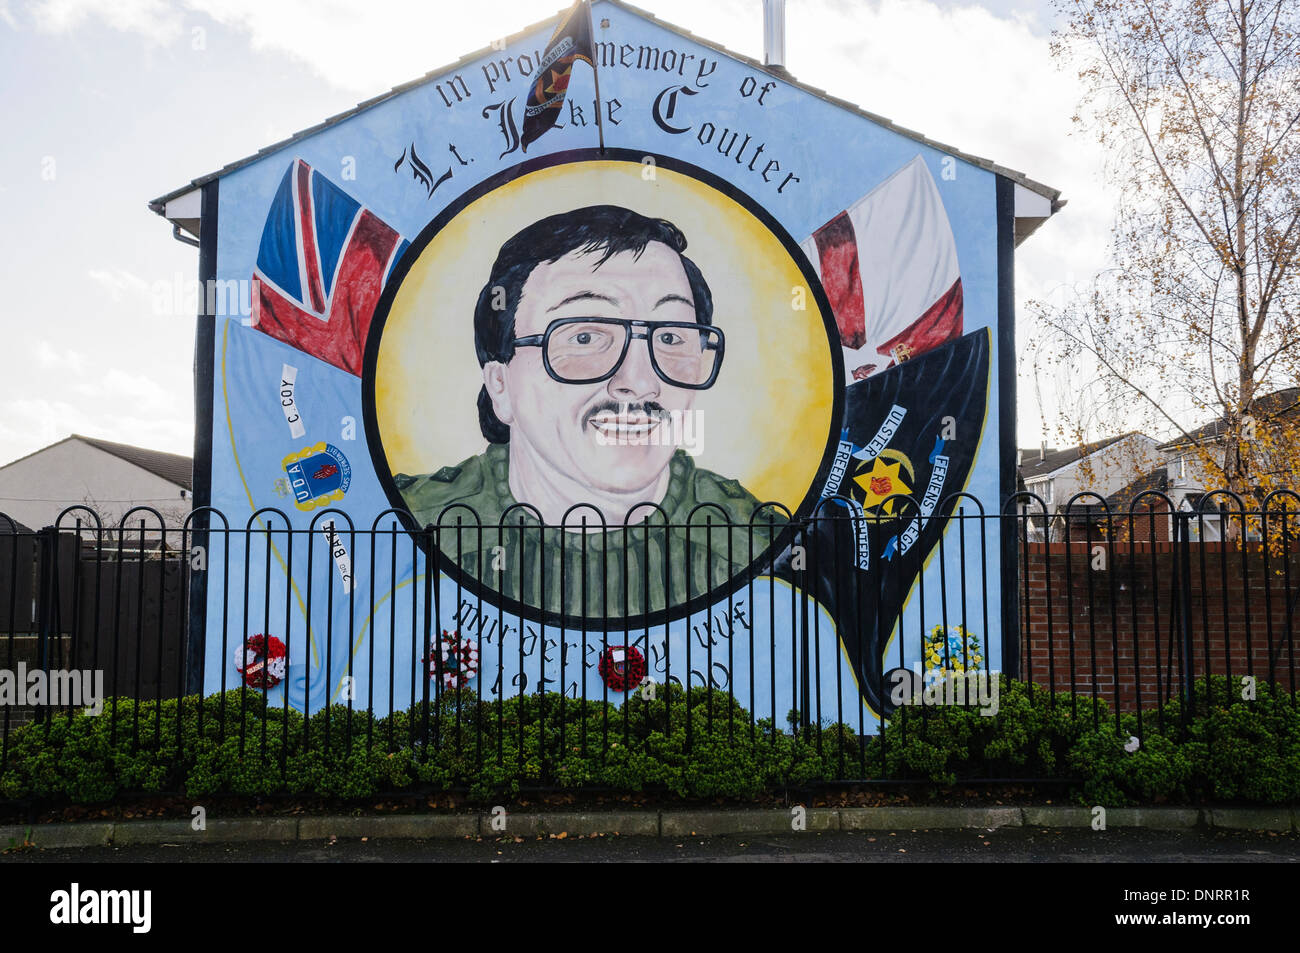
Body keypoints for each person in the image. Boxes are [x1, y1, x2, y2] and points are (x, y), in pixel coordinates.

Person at [395, 205, 785, 617]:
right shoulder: (413, 526)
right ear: (501, 384)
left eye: (670, 337)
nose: (639, 381)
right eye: (584, 337)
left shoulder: (757, 542)